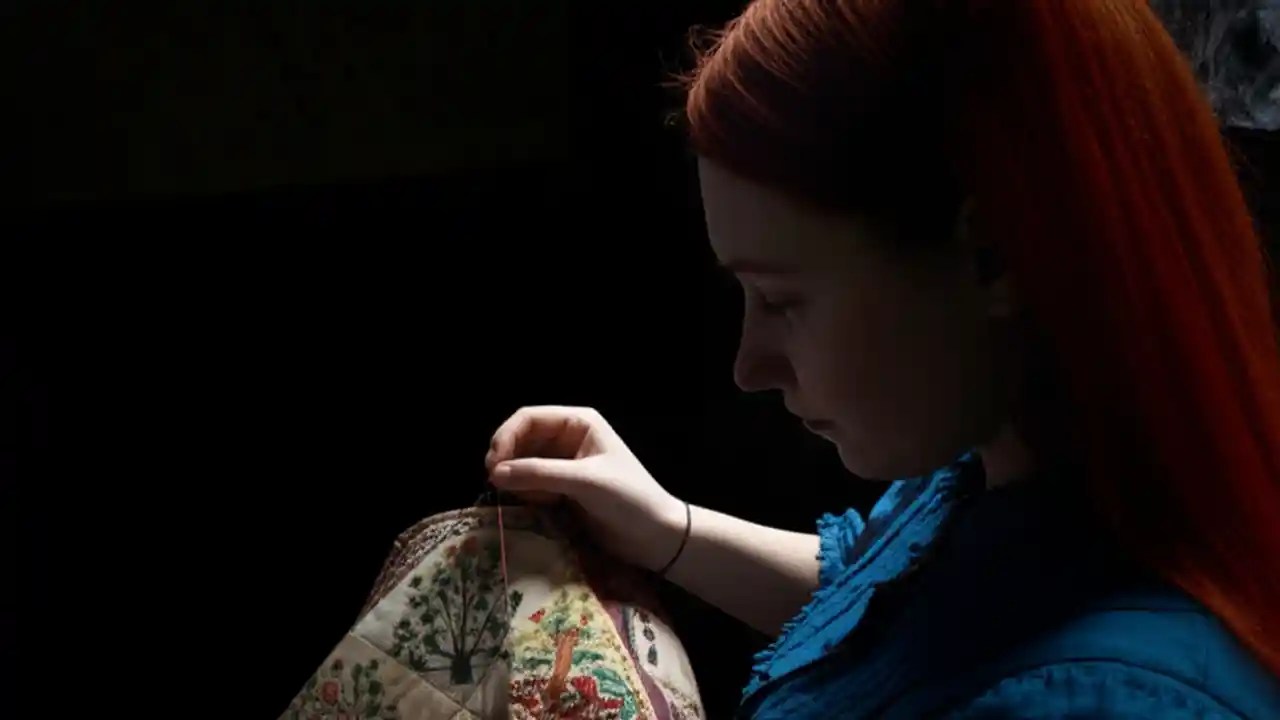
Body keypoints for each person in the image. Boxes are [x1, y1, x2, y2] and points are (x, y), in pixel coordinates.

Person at [486, 1, 1280, 717]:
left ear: (994, 257)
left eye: (784, 301)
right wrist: (669, 530)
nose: (749, 366)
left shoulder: (1107, 702)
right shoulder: (1012, 464)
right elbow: (894, 599)